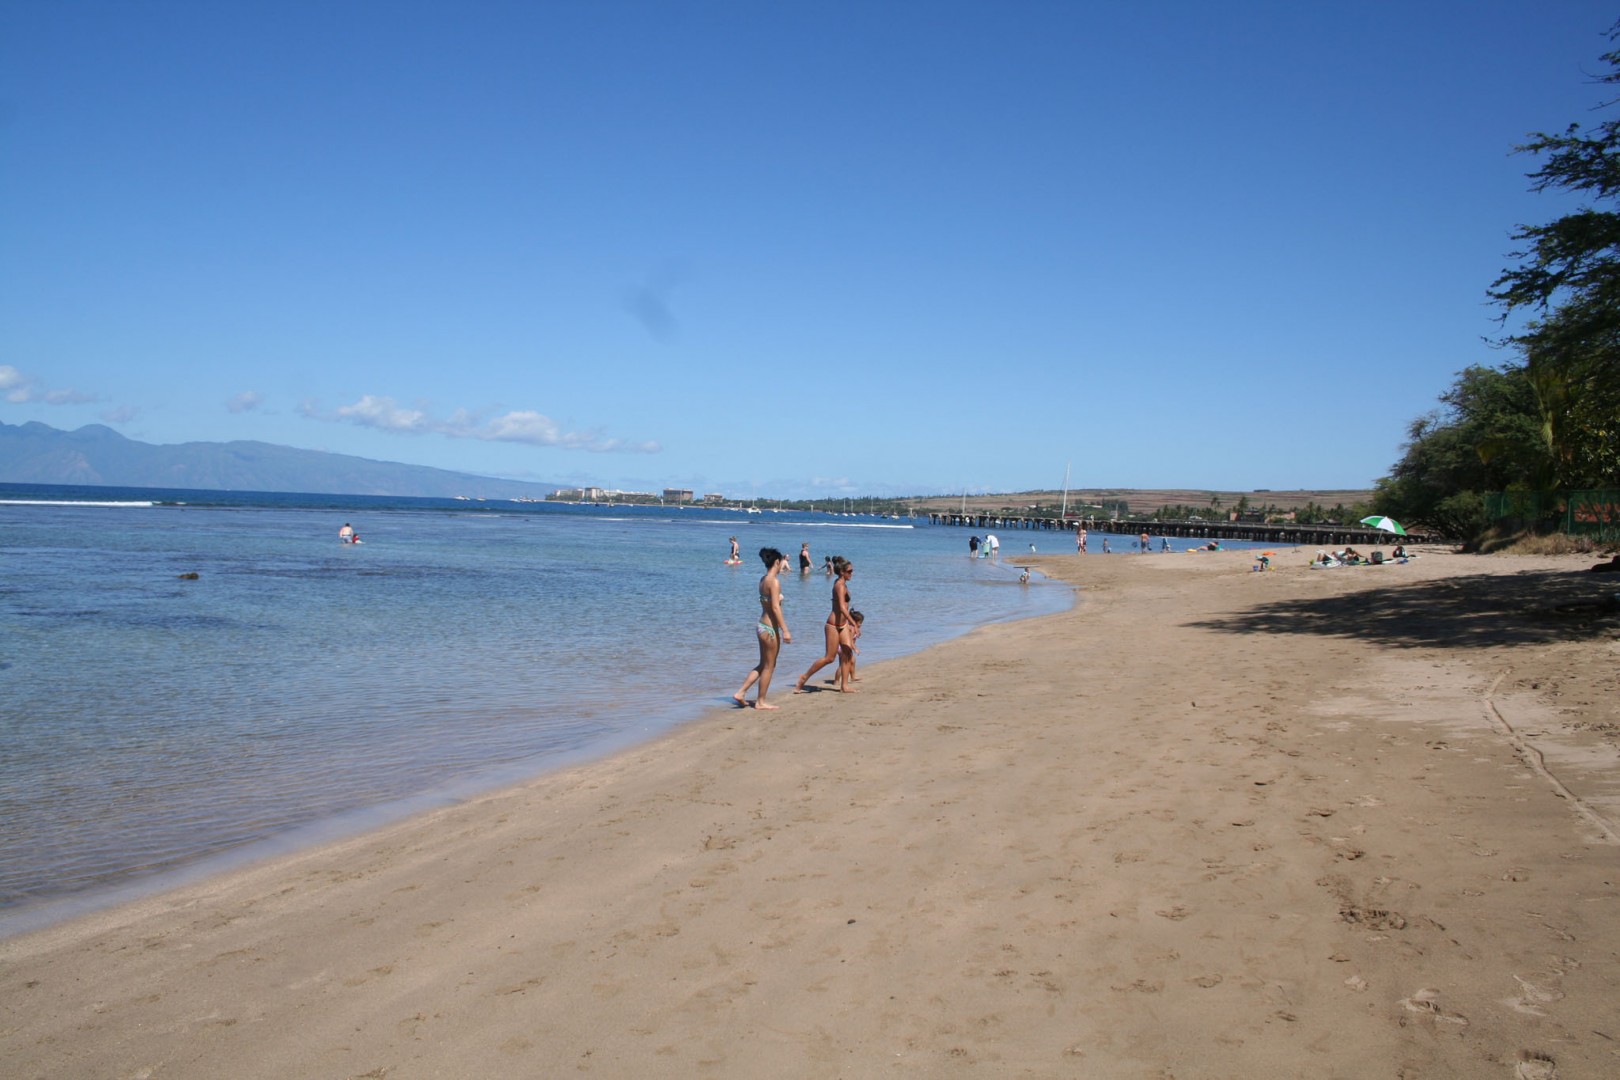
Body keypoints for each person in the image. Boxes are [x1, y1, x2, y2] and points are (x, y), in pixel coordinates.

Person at [734, 547, 792, 709]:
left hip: (761, 626)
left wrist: (777, 599)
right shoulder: (774, 581)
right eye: (780, 563)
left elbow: (767, 602)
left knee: (763, 664)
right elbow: (774, 608)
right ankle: (761, 701)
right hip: (770, 629)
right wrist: (785, 630)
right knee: (769, 666)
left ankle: (741, 692)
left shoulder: (763, 579)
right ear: (777, 562)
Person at [797, 556, 853, 692]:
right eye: (850, 571)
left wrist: (849, 623)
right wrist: (854, 624)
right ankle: (804, 677)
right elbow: (841, 607)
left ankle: (844, 686)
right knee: (830, 658)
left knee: (847, 653)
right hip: (833, 625)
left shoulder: (844, 583)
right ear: (842, 572)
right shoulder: (839, 585)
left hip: (843, 625)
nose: (852, 573)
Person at [833, 610, 865, 692]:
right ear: (854, 621)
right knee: (842, 665)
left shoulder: (854, 628)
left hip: (846, 647)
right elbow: (850, 641)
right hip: (843, 647)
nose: (861, 624)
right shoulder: (851, 629)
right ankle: (836, 680)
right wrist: (855, 649)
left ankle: (853, 677)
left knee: (852, 660)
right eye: (860, 623)